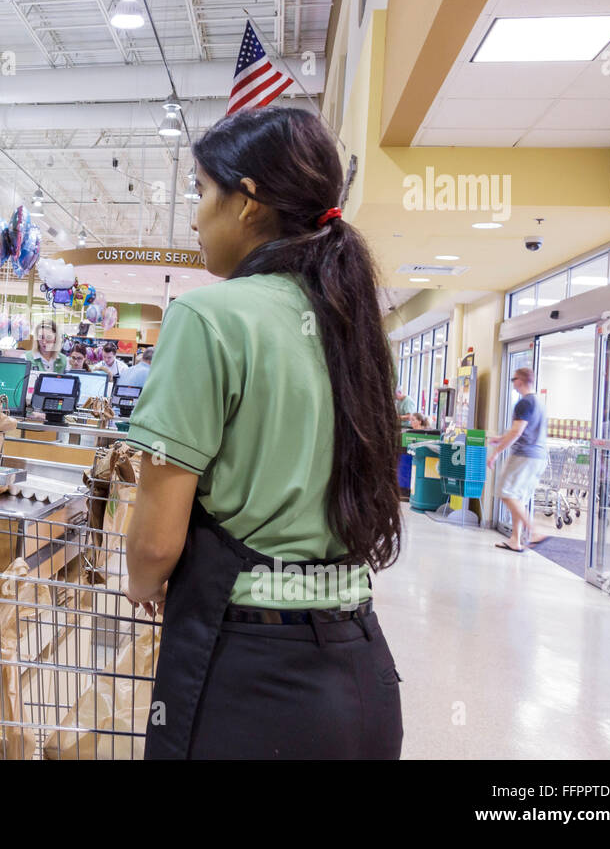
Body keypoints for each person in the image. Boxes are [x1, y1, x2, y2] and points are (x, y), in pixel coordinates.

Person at [123, 107, 403, 759]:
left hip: (249, 678)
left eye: (201, 192)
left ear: (247, 202)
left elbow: (155, 544)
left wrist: (139, 583)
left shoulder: (206, 315)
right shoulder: (350, 320)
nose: (193, 216)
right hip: (362, 674)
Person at [488, 367, 549, 552]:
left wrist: (496, 452)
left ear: (520, 381)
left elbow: (517, 432)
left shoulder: (524, 403)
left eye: (513, 379)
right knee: (518, 498)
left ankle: (535, 531)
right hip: (538, 457)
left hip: (524, 456)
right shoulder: (538, 403)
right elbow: (521, 429)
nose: (513, 383)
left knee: (506, 493)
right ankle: (515, 539)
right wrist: (501, 437)